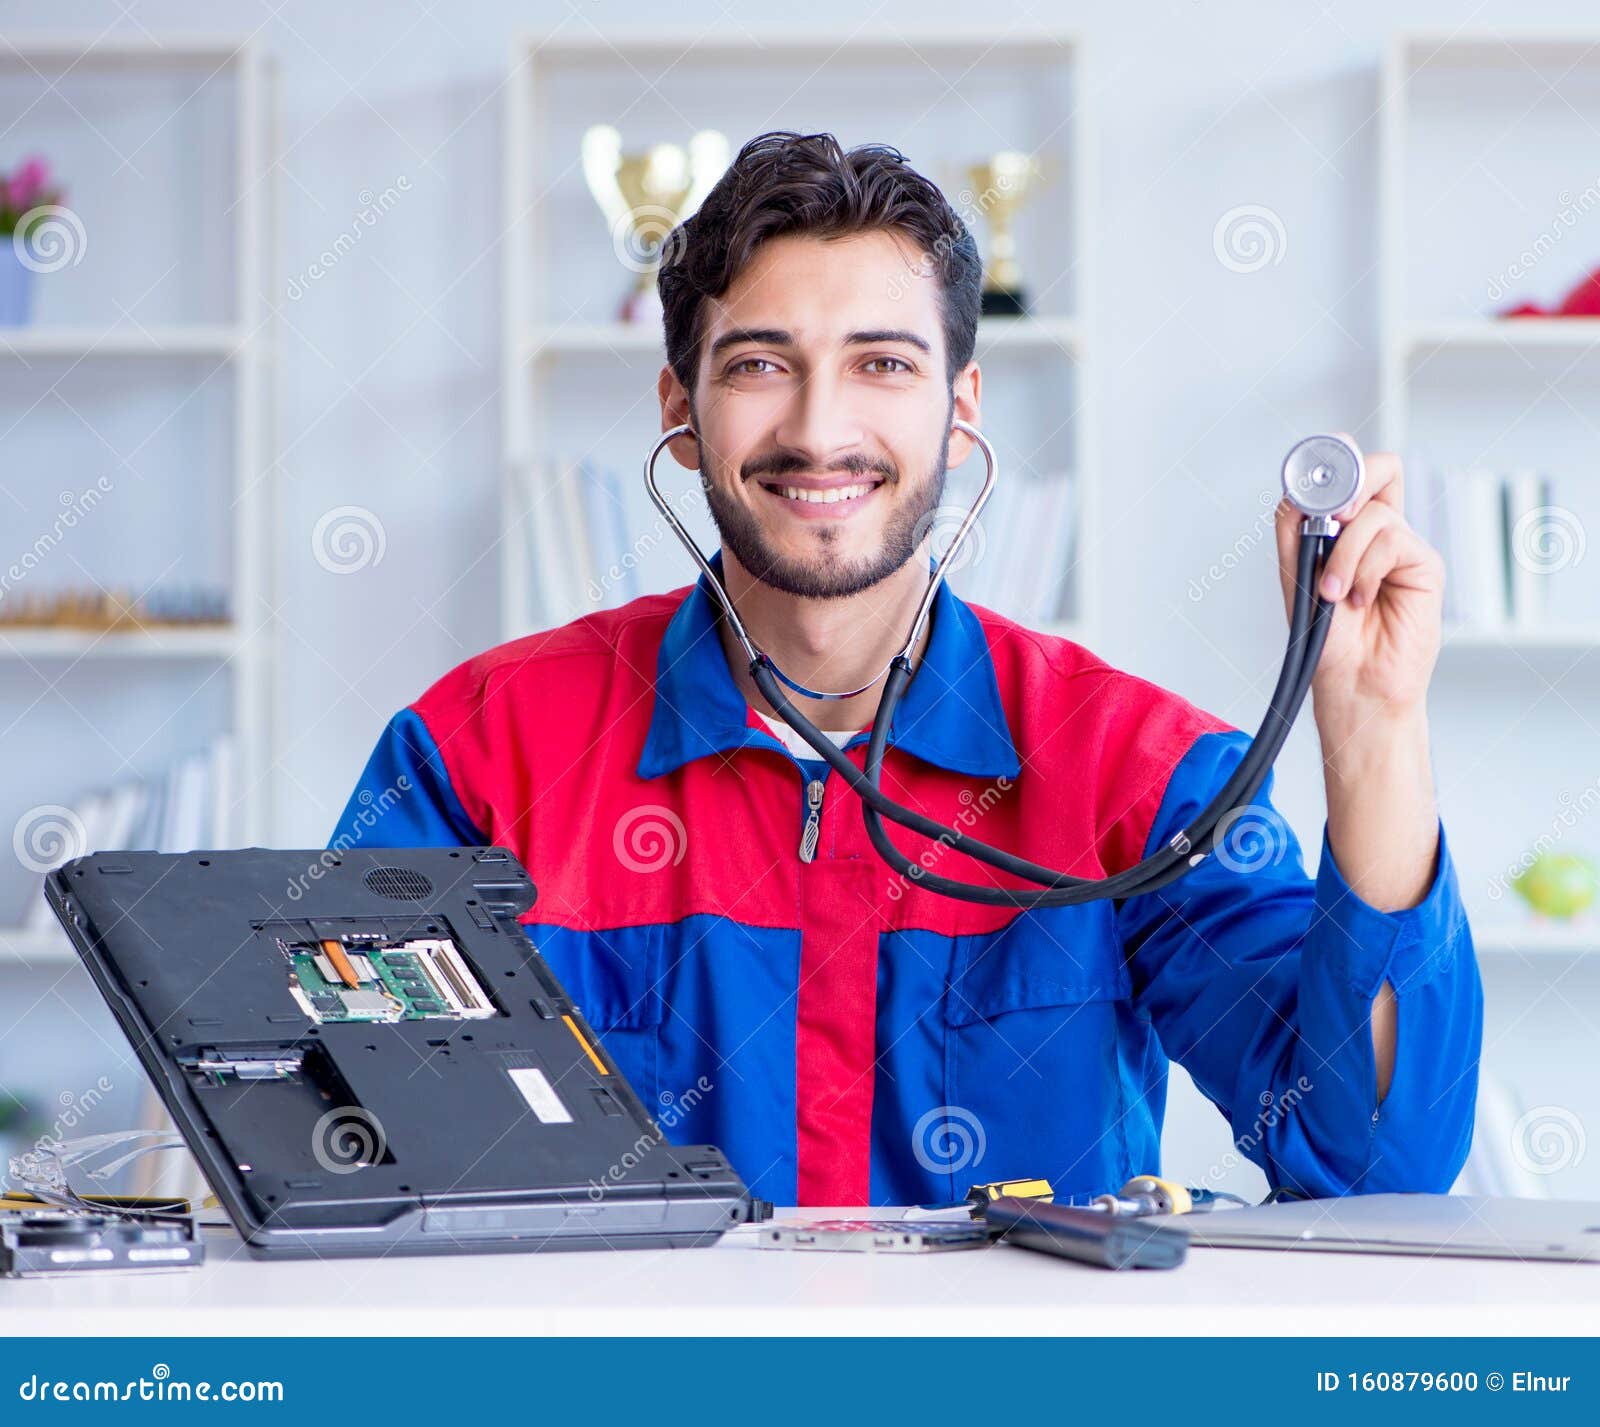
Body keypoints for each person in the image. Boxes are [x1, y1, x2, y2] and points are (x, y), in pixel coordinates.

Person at [332, 131, 1481, 1207]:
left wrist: (1375, 726)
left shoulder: (1141, 772)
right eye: (758, 365)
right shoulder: (477, 751)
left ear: (958, 407)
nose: (819, 426)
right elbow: (354, 1146)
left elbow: (1370, 1158)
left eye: (881, 362)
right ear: (681, 411)